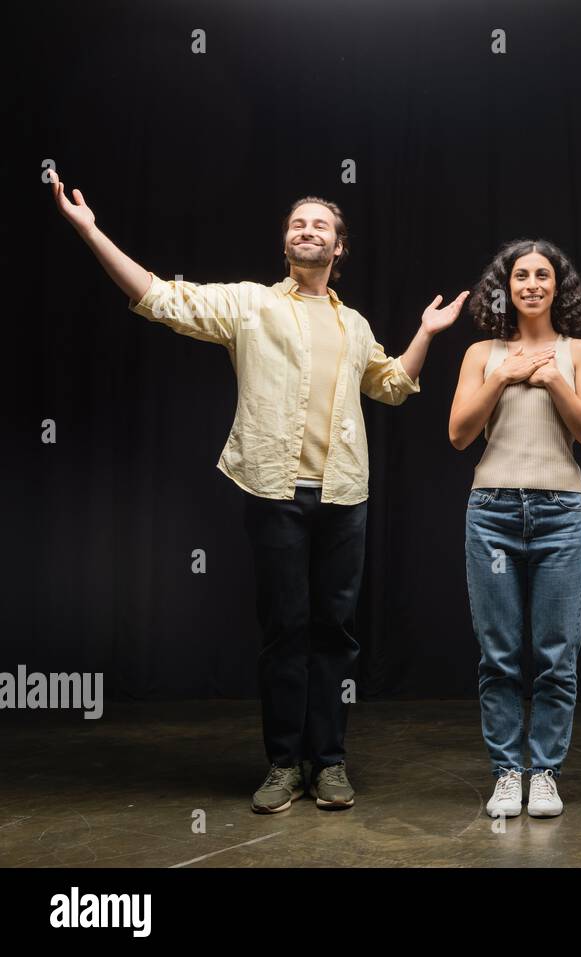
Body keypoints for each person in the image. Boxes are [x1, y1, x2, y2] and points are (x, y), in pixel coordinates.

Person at [48, 172, 467, 813]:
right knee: (284, 632)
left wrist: (427, 334)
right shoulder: (250, 306)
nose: (308, 231)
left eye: (320, 225)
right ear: (285, 244)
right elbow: (161, 299)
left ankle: (327, 763)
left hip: (343, 497)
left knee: (335, 634)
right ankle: (281, 765)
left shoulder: (353, 325)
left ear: (339, 247)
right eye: (297, 224)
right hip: (273, 493)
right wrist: (90, 231)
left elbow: (390, 385)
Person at [449, 239, 581, 819]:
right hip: (490, 510)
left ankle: (544, 773)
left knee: (556, 655)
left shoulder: (580, 351)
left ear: (558, 287)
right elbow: (459, 434)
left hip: (561, 513)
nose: (533, 284)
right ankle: (507, 773)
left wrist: (551, 380)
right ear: (506, 287)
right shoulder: (481, 353)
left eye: (544, 275)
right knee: (500, 656)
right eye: (521, 276)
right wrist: (504, 375)